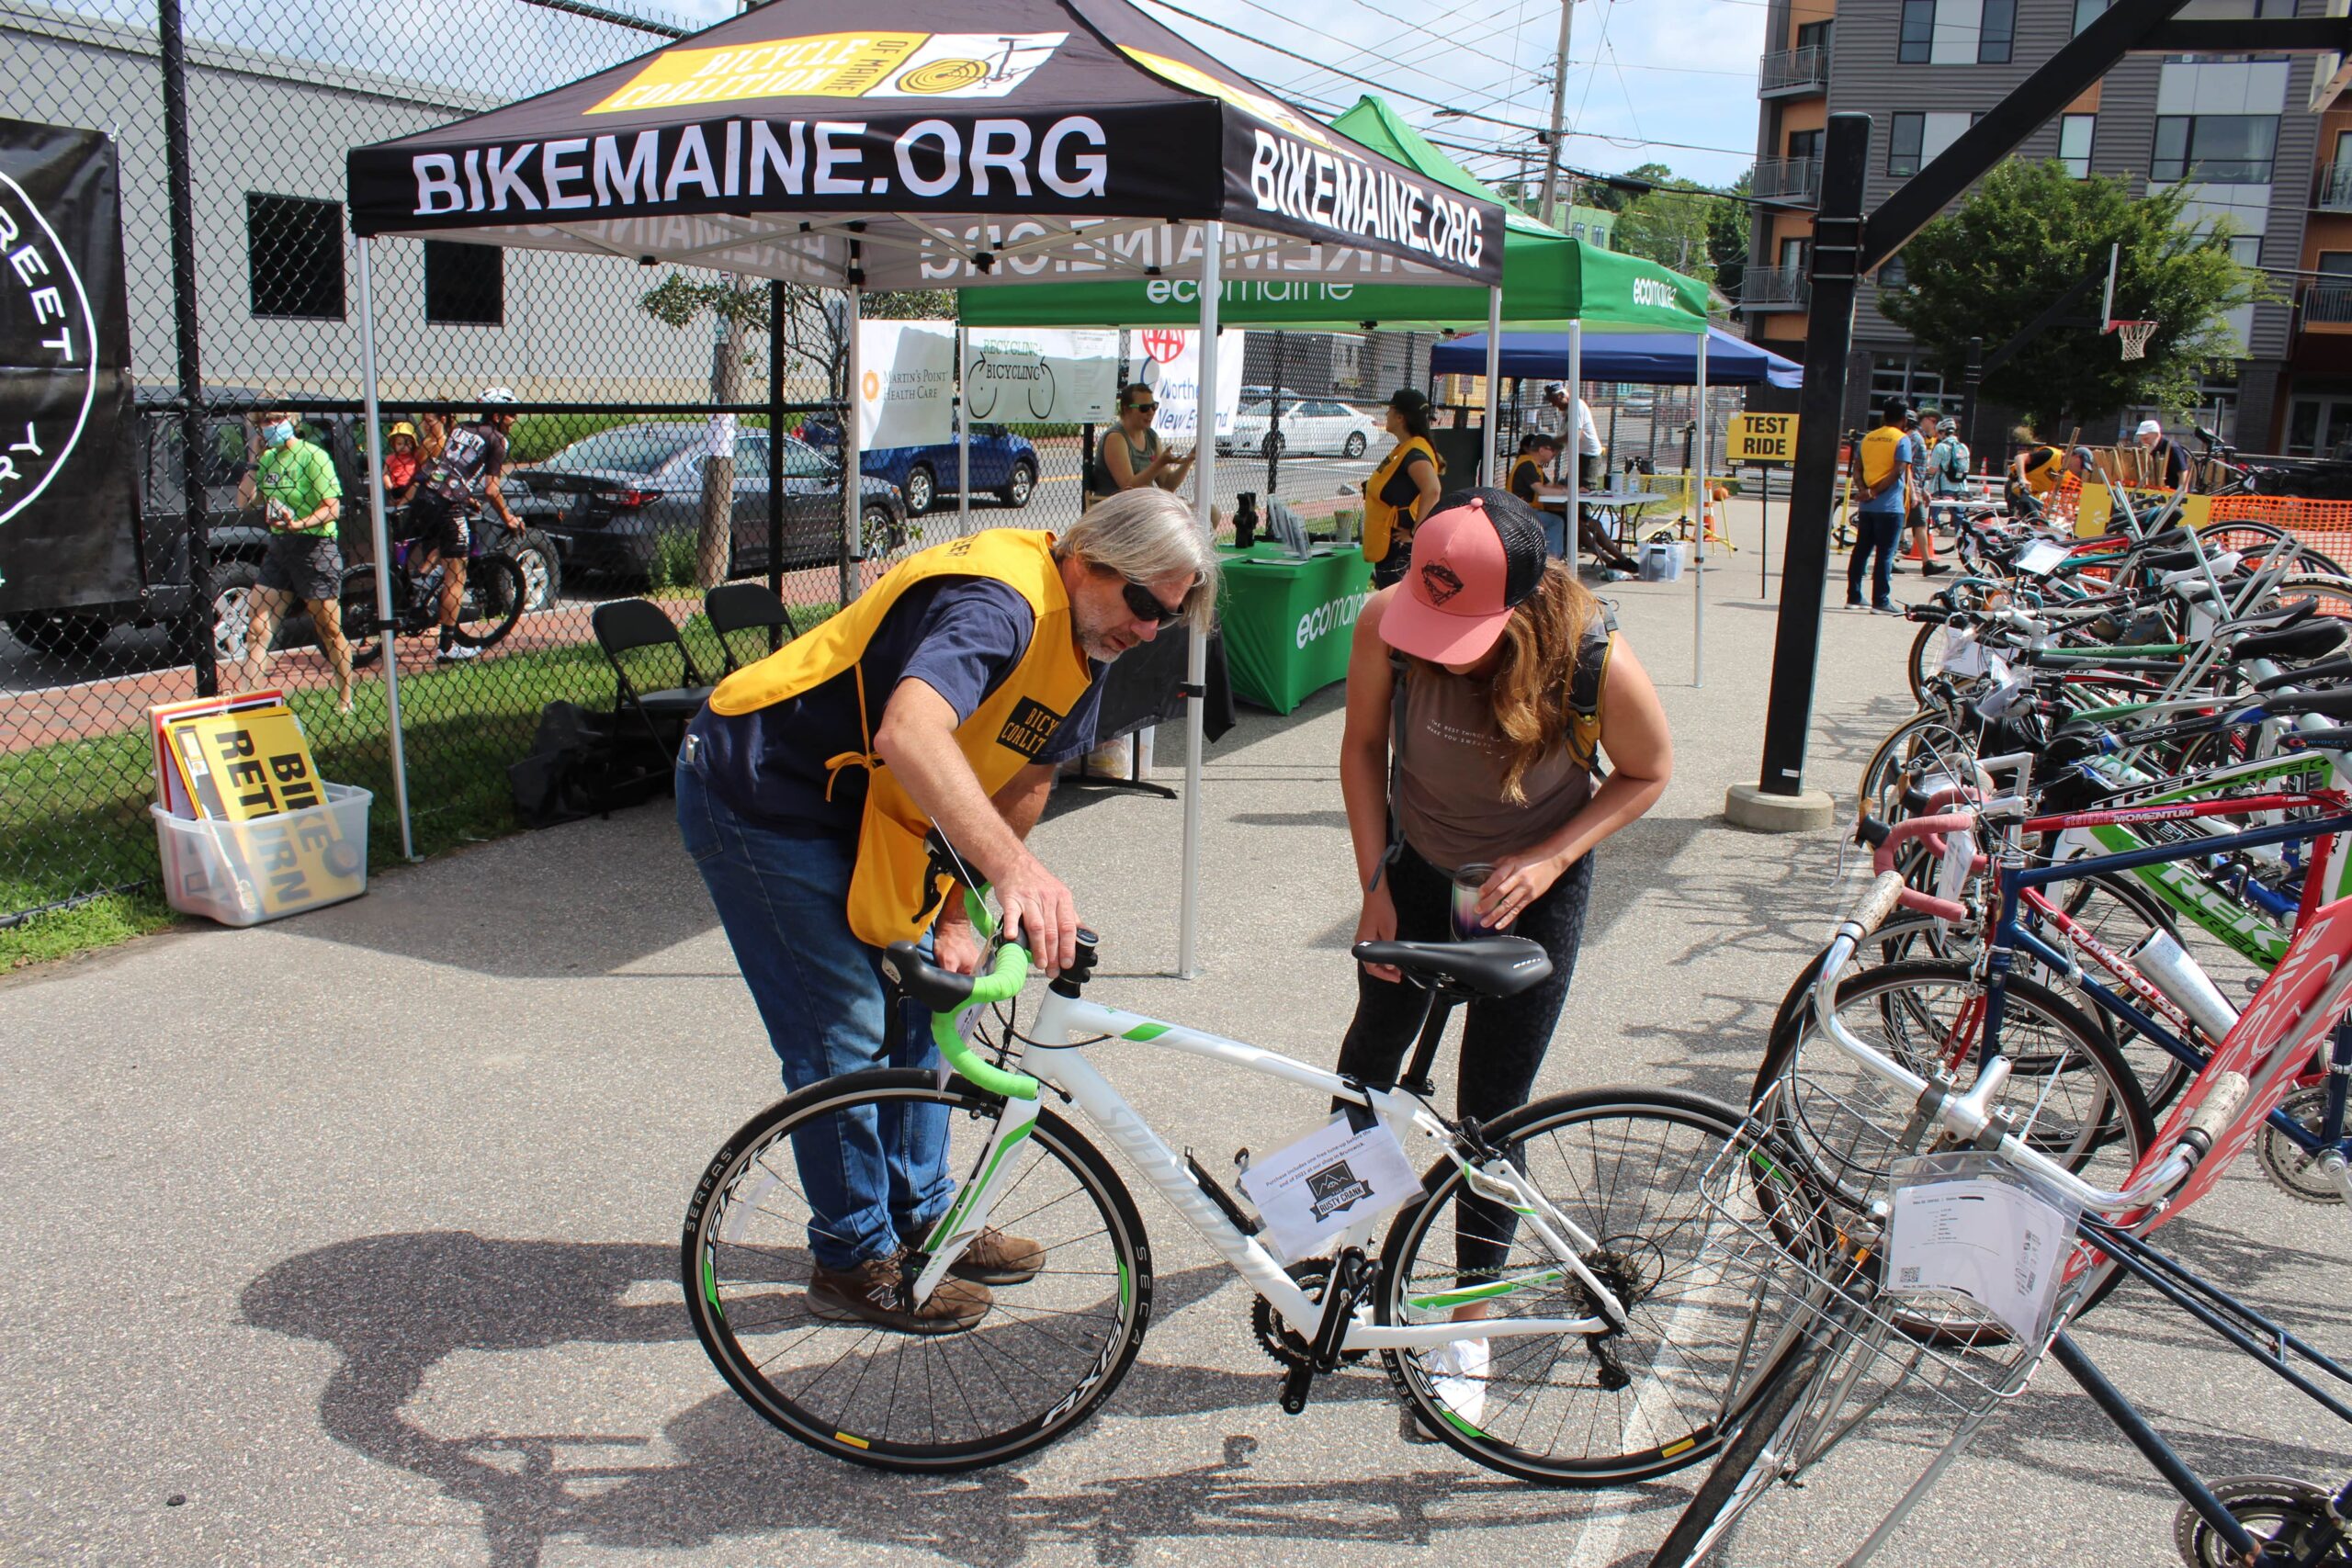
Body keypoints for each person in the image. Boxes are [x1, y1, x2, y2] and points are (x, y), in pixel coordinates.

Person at [677, 490, 1219, 1334]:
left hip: (872, 809)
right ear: (1088, 558)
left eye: (1170, 617)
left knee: (926, 1003)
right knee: (843, 1034)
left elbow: (1025, 775)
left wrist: (960, 912)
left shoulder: (1087, 632)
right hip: (764, 789)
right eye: (1146, 604)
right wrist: (1016, 874)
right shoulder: (998, 603)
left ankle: (926, 1219)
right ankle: (853, 1259)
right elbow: (911, 733)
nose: (1151, 630)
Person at [1334, 487, 1671, 1425]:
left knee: (1491, 1106)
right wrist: (1373, 878)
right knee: (1369, 1062)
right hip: (1416, 866)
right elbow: (1363, 748)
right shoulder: (1385, 625)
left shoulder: (1589, 652)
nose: (1435, 643)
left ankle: (1466, 1321)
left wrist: (1552, 854)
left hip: (1528, 887)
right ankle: (1332, 1245)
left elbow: (1648, 770)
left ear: (1518, 604)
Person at [234, 410, 355, 712]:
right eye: (265, 421)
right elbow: (243, 502)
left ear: (292, 420)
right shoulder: (268, 460)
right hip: (280, 547)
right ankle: (248, 704)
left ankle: (345, 697)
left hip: (315, 546)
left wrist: (299, 524)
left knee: (328, 629)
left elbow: (332, 509)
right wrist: (254, 460)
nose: (271, 426)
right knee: (257, 630)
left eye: (276, 419)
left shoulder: (313, 456)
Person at [409, 389, 523, 663]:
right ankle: (447, 648)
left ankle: (420, 582)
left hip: (426, 495)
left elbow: (453, 466)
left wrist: (468, 497)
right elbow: (493, 490)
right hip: (449, 505)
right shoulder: (497, 439)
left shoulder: (461, 427)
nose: (514, 420)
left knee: (441, 549)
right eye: (511, 414)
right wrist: (509, 518)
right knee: (456, 577)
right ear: (496, 415)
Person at [1363, 389, 1444, 588]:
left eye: (1389, 410)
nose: (1386, 415)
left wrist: (1416, 533)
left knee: (1394, 603)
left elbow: (1433, 490)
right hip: (1388, 546)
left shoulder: (1415, 452)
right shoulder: (1406, 447)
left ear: (1400, 417)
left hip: (1398, 549)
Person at [1847, 401, 1911, 614]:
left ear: (1883, 417)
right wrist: (1875, 491)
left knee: (1861, 551)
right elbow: (1897, 471)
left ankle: (1854, 596)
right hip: (1890, 506)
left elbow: (1857, 467)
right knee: (1885, 554)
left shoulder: (1868, 438)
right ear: (1904, 419)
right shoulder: (1902, 439)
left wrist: (1864, 490)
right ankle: (1880, 601)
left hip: (1867, 507)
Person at [1093, 382, 1194, 501]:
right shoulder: (1116, 438)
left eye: (1154, 406)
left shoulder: (1151, 436)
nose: (1151, 412)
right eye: (1144, 408)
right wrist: (1159, 463)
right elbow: (1128, 488)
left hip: (1144, 507)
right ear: (1126, 410)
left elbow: (1167, 485)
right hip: (1117, 509)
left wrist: (1189, 459)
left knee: (1212, 512)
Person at [1902, 410, 1950, 579]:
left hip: (1913, 488)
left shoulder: (1917, 438)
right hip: (1909, 489)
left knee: (1920, 524)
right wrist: (1917, 491)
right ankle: (1924, 563)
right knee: (1909, 525)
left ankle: (1927, 563)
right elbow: (1907, 467)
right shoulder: (1914, 439)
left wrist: (1922, 490)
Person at [1541, 382, 1603, 488]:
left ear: (1561, 396)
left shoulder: (1576, 405)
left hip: (1588, 455)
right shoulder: (1563, 412)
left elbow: (1575, 435)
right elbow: (1562, 439)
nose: (1553, 405)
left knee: (1584, 491)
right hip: (1577, 455)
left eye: (1553, 400)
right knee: (1570, 489)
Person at [2136, 418, 2193, 490]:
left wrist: (2181, 494)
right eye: (2142, 440)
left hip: (2172, 491)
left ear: (2157, 435)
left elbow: (2183, 472)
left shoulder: (2172, 448)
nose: (2144, 442)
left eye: (2146, 439)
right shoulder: (2151, 447)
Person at [382, 422, 421, 503]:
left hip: (410, 484)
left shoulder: (415, 456)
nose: (403, 447)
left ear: (413, 444)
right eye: (399, 444)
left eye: (407, 444)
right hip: (398, 487)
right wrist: (388, 483)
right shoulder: (392, 458)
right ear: (394, 444)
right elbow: (386, 473)